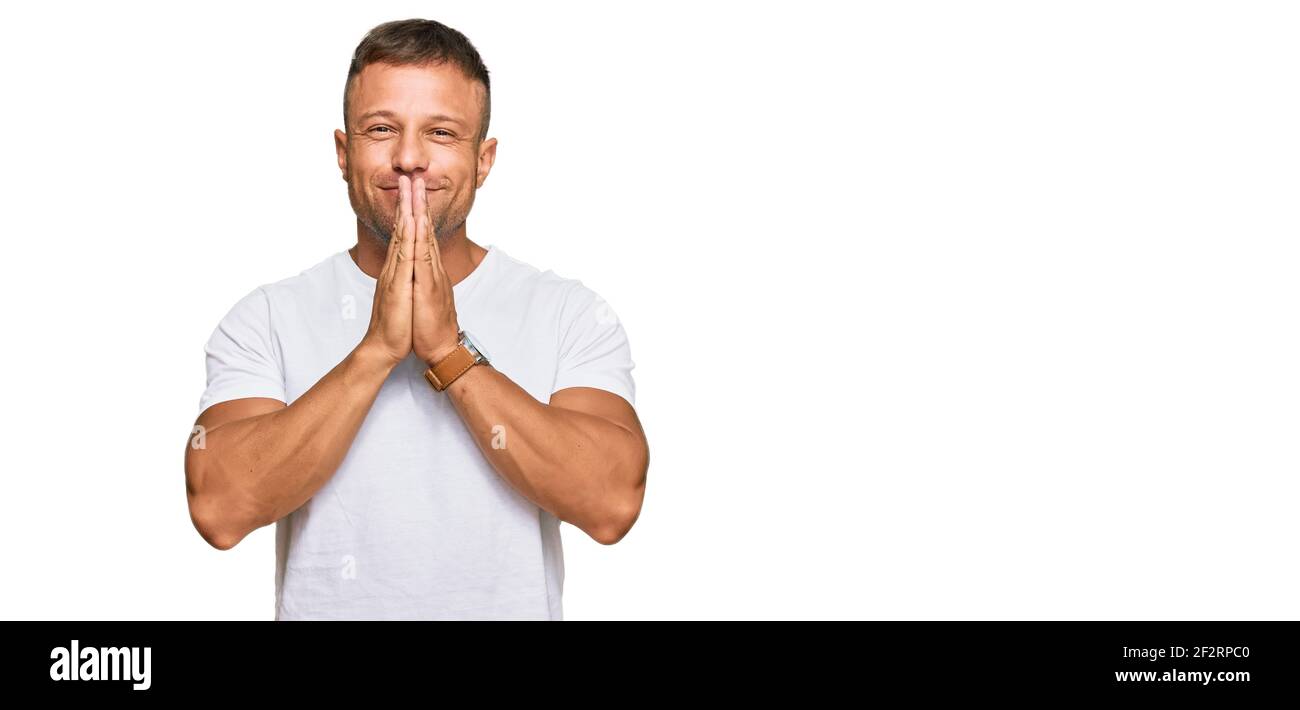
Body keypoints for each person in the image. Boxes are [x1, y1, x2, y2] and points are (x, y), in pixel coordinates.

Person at [183, 18, 649, 620]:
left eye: (441, 133)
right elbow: (219, 510)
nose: (408, 159)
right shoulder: (267, 316)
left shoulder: (568, 312)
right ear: (343, 153)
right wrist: (376, 351)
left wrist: (450, 354)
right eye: (381, 129)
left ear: (483, 160)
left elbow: (612, 505)